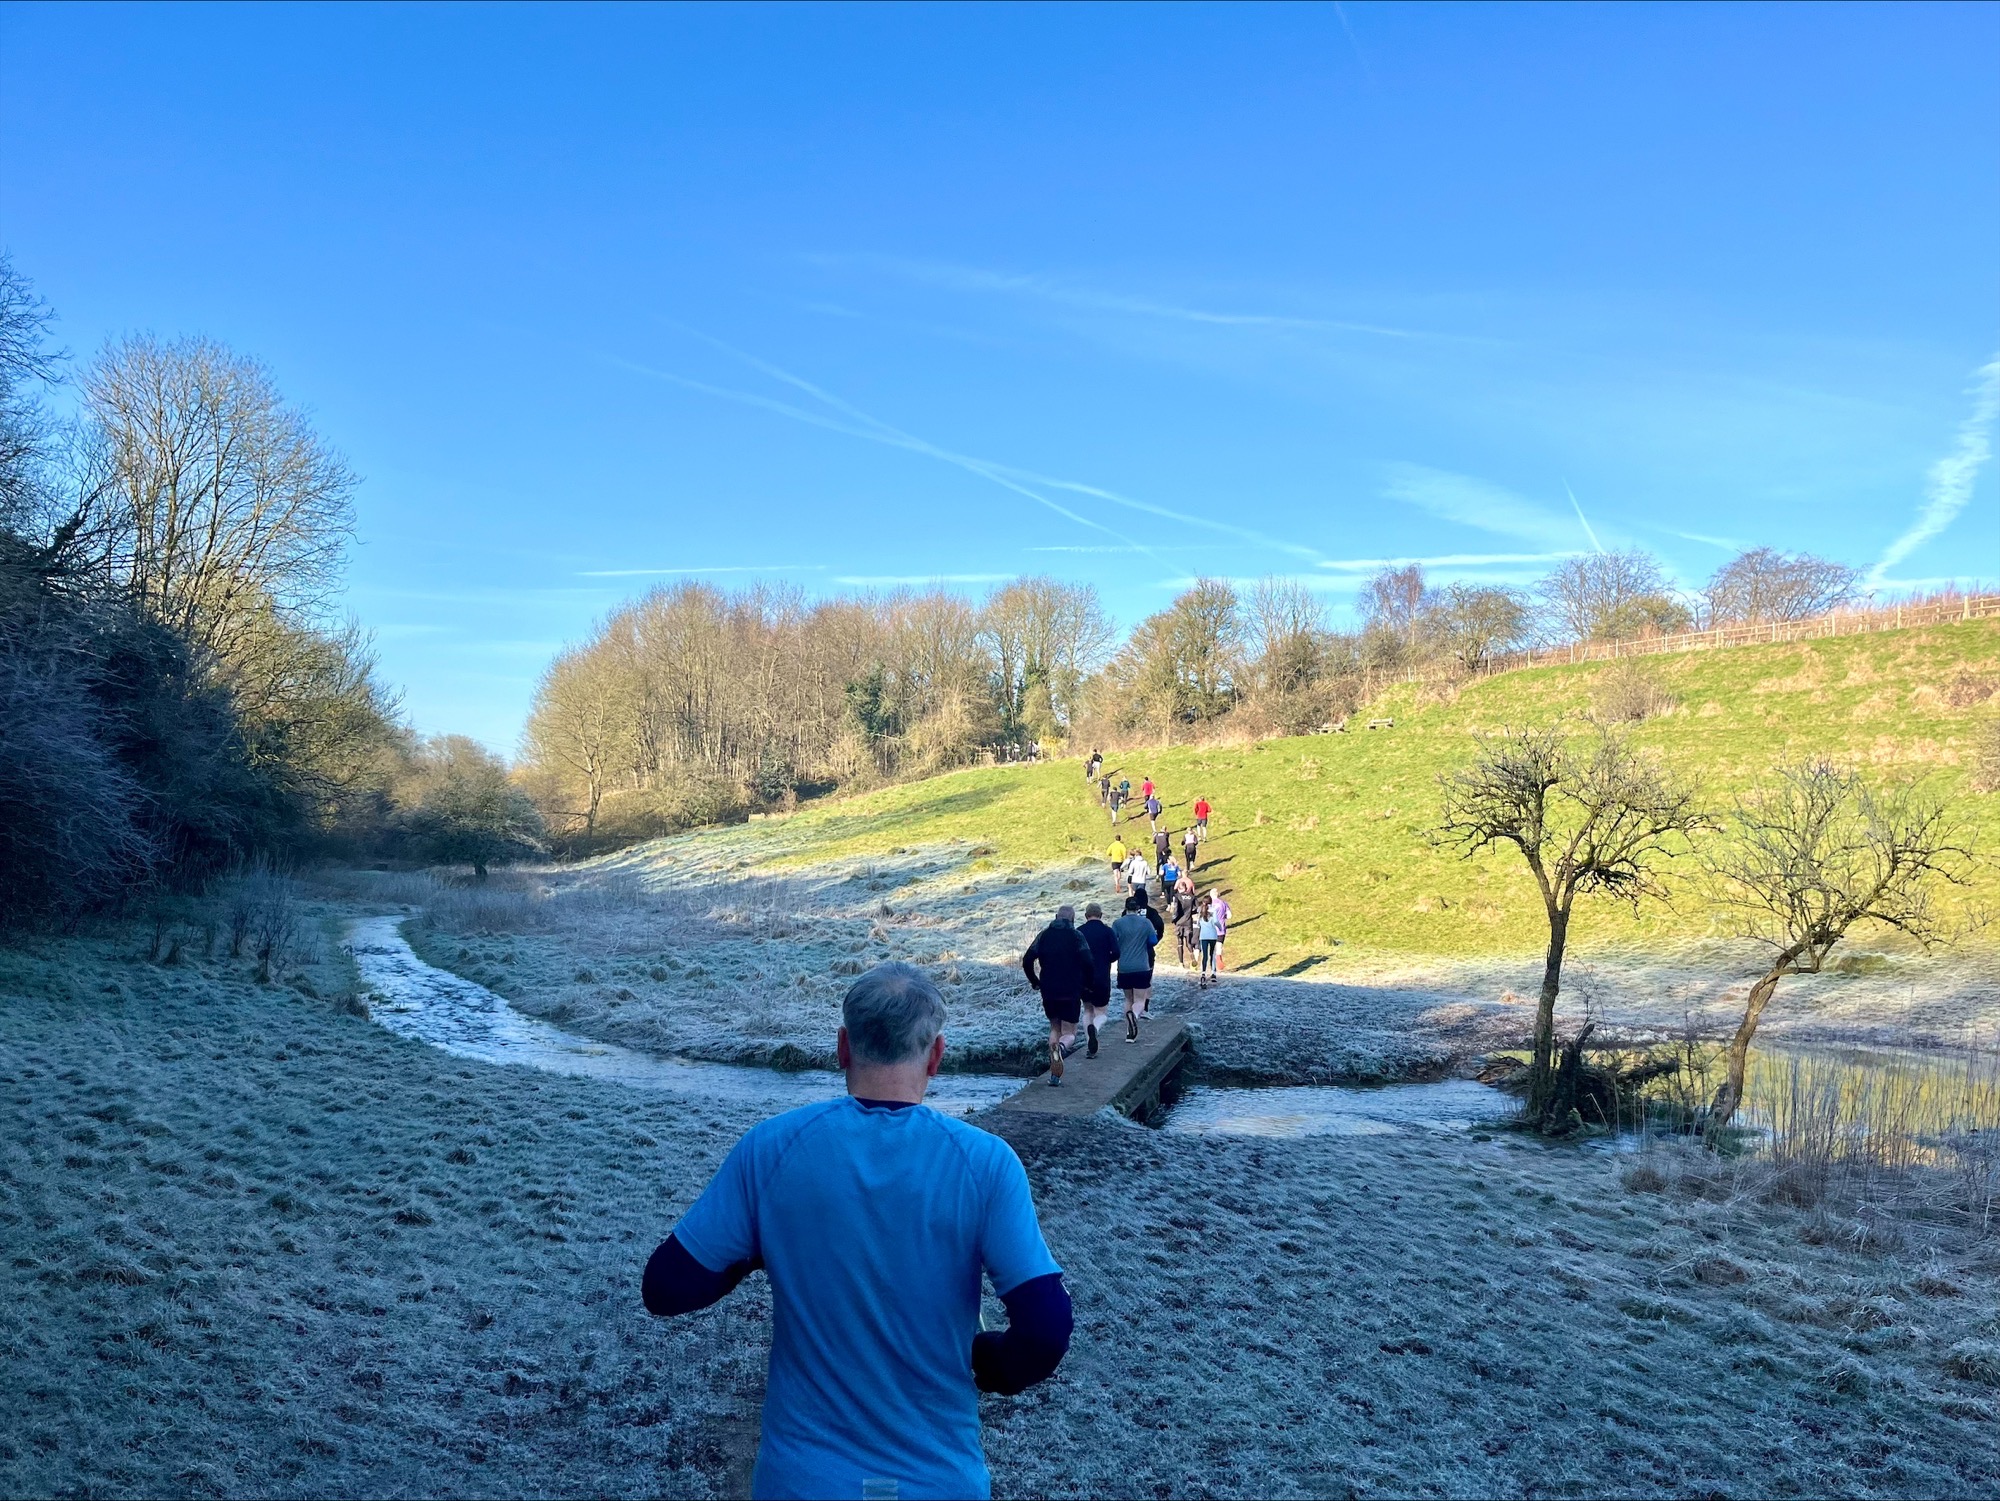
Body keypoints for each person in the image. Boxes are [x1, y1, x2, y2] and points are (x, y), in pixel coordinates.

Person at [642, 962, 1071, 1500]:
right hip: (938, 1481)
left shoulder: (772, 1149)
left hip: (802, 1481)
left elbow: (666, 1288)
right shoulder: (985, 1164)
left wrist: (758, 1247)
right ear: (936, 1056)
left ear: (843, 1047)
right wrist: (990, 1364)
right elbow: (1046, 1331)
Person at [1022, 904, 1092, 1082]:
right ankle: (1060, 1049)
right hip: (1070, 989)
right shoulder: (1076, 936)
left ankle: (1054, 1074)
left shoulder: (1044, 935)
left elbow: (1027, 959)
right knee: (1069, 1032)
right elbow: (1088, 962)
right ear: (1073, 919)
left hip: (1048, 989)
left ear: (1055, 917)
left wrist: (1035, 981)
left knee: (1054, 1027)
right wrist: (1086, 984)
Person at [1111, 894, 1159, 1041]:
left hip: (1124, 966)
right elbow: (1153, 941)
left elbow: (1113, 943)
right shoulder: (1146, 923)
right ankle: (1136, 1015)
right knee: (1139, 1000)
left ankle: (1128, 1033)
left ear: (1125, 908)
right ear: (1138, 908)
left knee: (1128, 999)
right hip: (1141, 965)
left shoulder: (1117, 923)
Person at [1078, 901, 1118, 1058]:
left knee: (1087, 1009)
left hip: (1083, 979)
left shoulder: (1079, 932)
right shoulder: (1107, 931)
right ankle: (1095, 1027)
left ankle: (1090, 1046)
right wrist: (1106, 960)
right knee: (1101, 1012)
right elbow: (1116, 952)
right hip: (1101, 976)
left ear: (1086, 916)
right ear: (1100, 915)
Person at [1169, 874, 1197, 968]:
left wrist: (1174, 918)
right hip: (1188, 921)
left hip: (1179, 922)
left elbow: (1176, 909)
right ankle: (1192, 957)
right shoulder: (1192, 897)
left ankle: (1181, 963)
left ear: (1180, 889)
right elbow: (1196, 909)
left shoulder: (1177, 896)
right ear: (1186, 888)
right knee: (1188, 942)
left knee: (1180, 942)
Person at [1196, 896, 1220, 986]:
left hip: (1203, 936)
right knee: (1212, 954)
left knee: (1204, 955)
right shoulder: (1213, 910)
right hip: (1213, 935)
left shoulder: (1200, 910)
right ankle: (1213, 973)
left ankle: (1203, 973)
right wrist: (1220, 928)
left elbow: (1198, 923)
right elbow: (1216, 922)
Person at [1210, 889, 1232, 973]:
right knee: (1219, 946)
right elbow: (1229, 916)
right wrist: (1223, 917)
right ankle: (1218, 959)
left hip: (1211, 928)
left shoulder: (1209, 904)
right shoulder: (1223, 903)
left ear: (1211, 895)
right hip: (1221, 929)